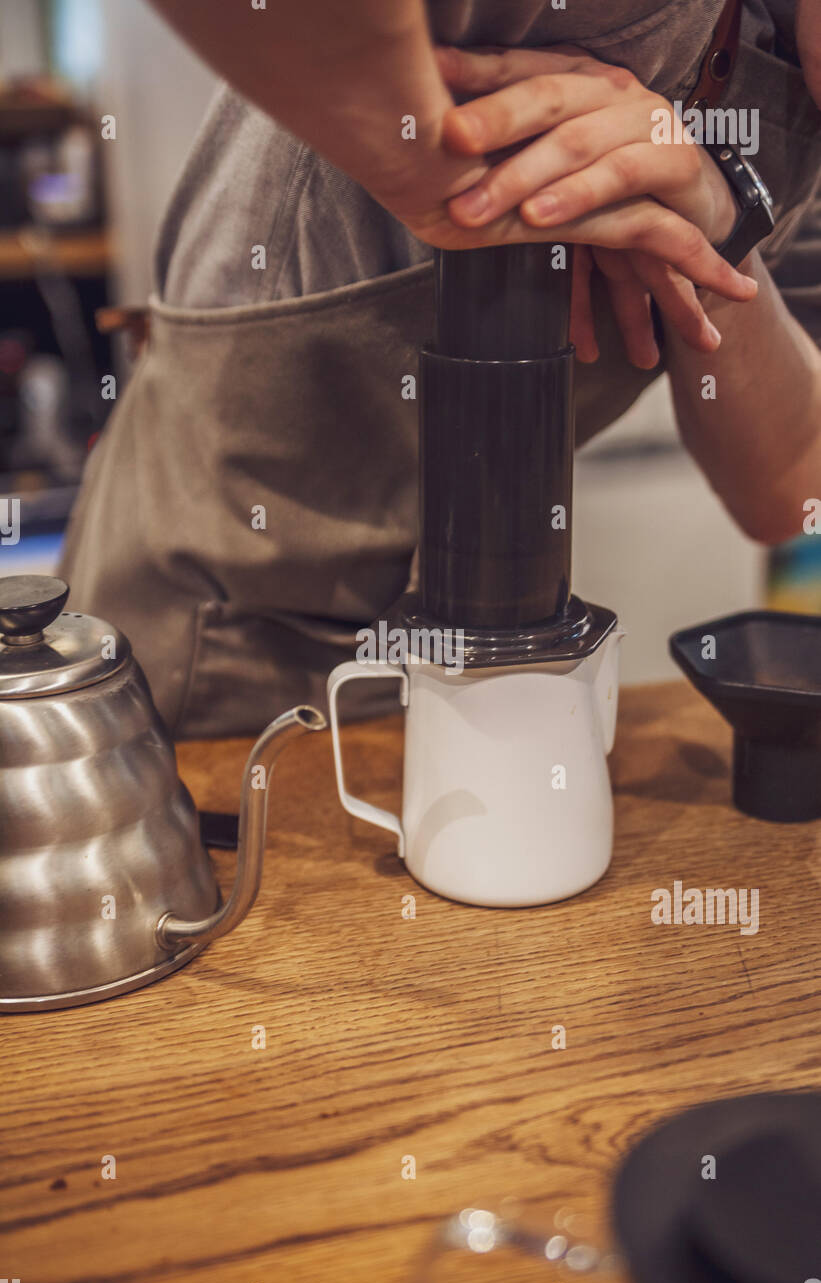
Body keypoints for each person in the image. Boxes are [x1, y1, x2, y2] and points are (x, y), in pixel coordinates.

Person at [60, 0, 821, 737]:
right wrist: (435, 177)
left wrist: (720, 236)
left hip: (460, 637)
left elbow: (790, 493)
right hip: (215, 624)